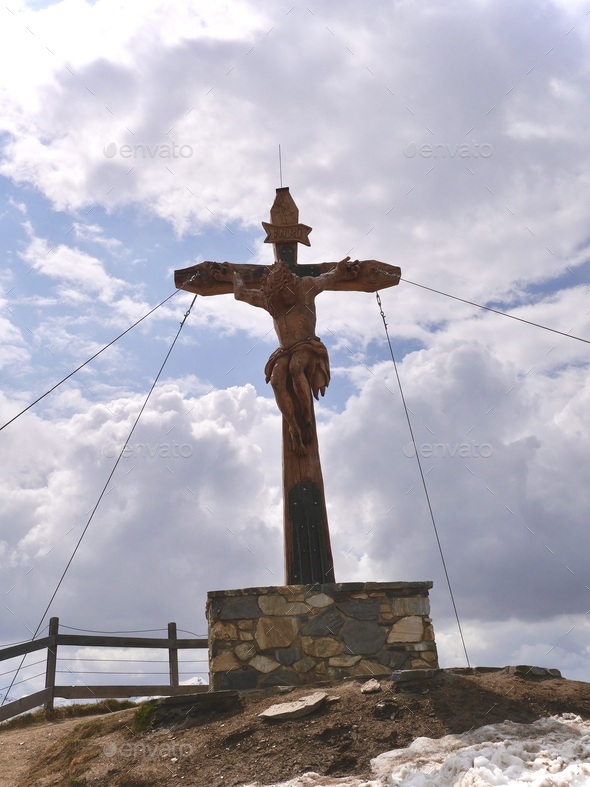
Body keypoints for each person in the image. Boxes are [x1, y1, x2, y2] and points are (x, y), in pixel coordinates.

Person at [213, 257, 359, 454]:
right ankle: (293, 425)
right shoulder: (270, 301)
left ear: (291, 282)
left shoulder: (306, 286)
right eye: (281, 295)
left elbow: (328, 277)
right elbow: (241, 294)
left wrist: (340, 271)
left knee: (296, 368)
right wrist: (234, 274)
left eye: (287, 290)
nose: (286, 297)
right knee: (276, 379)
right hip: (284, 350)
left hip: (307, 346)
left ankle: (306, 419)